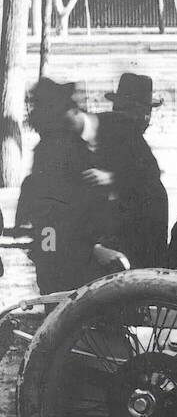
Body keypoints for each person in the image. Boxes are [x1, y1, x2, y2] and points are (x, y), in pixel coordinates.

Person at [16, 78, 127, 292]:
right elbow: (66, 209)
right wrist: (92, 247)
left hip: (56, 245)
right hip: (72, 252)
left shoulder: (50, 147)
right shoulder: (65, 148)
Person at [90, 72, 169, 269]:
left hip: (141, 246)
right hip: (117, 249)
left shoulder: (132, 141)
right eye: (142, 111)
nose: (146, 118)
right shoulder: (115, 138)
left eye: (148, 112)